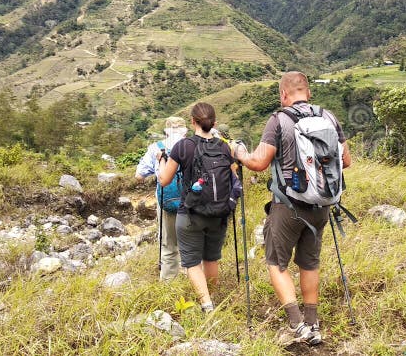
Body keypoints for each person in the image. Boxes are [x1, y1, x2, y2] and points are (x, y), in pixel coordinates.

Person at [231, 72, 352, 346]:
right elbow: (346, 161)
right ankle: (313, 323)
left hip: (288, 205)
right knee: (310, 262)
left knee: (276, 262)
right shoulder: (328, 117)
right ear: (308, 92)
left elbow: (259, 162)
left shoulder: (279, 119)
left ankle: (297, 324)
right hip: (321, 205)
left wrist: (239, 153)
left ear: (283, 94)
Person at [157, 103, 238, 313]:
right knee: (211, 258)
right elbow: (233, 176)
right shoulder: (224, 147)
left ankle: (207, 304)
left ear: (193, 122)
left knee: (192, 262)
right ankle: (213, 296)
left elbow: (164, 180)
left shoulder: (183, 146)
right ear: (214, 123)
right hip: (219, 213)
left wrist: (161, 162)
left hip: (191, 213)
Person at [135, 116, 188, 281]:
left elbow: (139, 175)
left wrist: (158, 167)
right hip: (191, 201)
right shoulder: (193, 146)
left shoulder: (156, 148)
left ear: (166, 132)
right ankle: (194, 280)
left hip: (167, 201)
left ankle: (168, 283)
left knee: (168, 244)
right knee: (192, 243)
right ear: (185, 132)